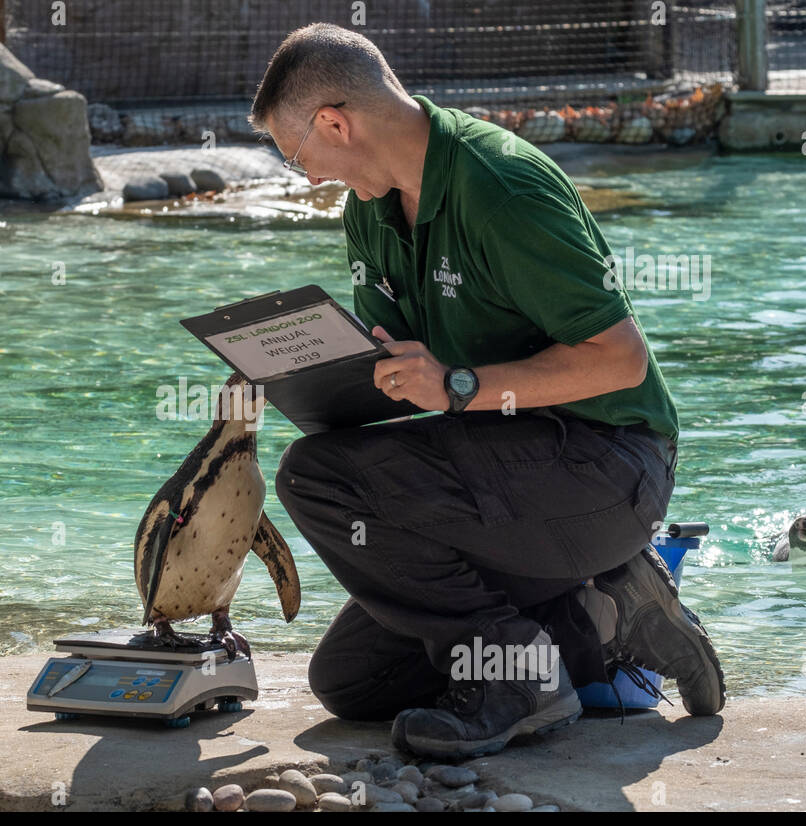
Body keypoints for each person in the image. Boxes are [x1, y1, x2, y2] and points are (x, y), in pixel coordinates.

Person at [249, 23, 725, 760]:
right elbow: (406, 379)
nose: (305, 176)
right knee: (352, 680)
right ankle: (605, 610)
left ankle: (525, 676)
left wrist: (456, 383)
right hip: (500, 477)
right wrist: (302, 371)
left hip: (608, 465)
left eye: (296, 155)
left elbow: (620, 360)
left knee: (314, 479)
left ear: (334, 123)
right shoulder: (367, 213)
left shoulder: (501, 184)